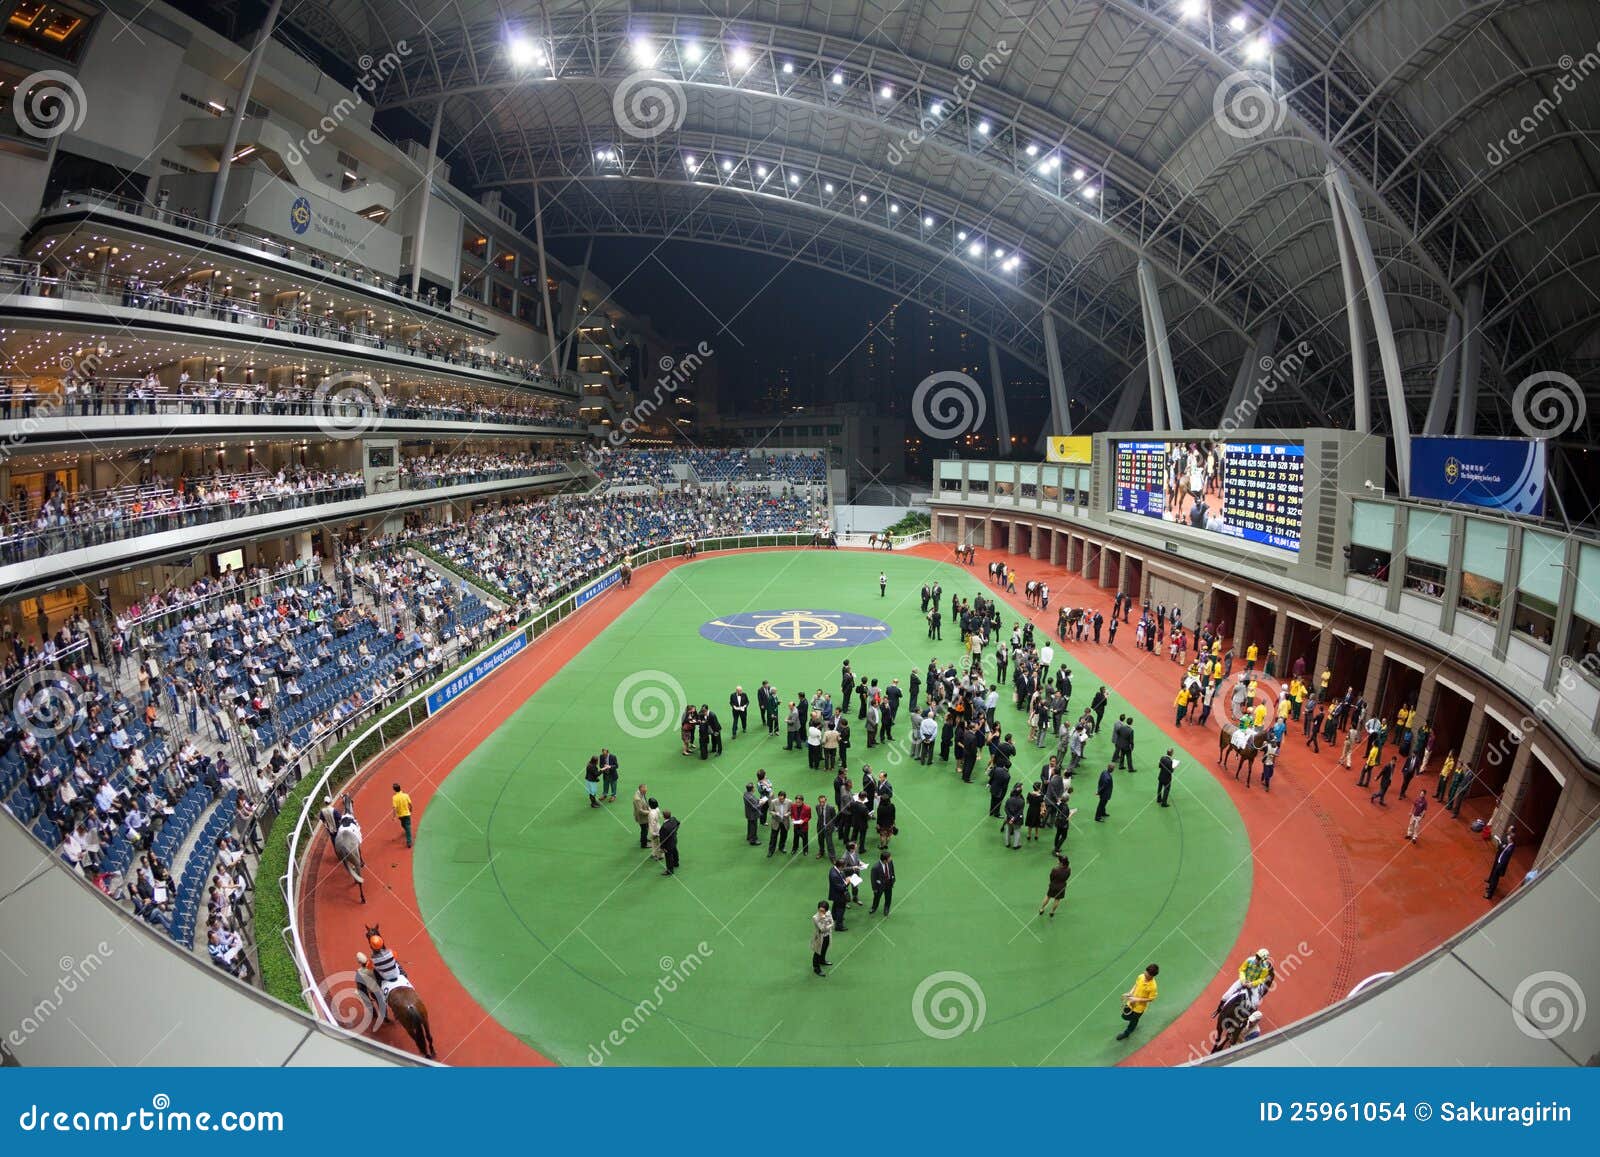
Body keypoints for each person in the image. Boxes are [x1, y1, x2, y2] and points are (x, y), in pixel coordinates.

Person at [1117, 964, 1160, 1041]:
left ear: (1152, 976)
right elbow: (1136, 984)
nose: (1144, 973)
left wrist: (1136, 1000)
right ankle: (1135, 1021)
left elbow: (1151, 999)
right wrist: (1130, 993)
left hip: (1139, 1007)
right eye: (1145, 971)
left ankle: (1127, 1033)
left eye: (1146, 974)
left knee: (1133, 1021)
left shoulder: (1153, 986)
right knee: (1124, 1016)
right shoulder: (1141, 976)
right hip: (1131, 1001)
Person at [1485, 830, 1516, 899]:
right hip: (1499, 861)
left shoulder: (1510, 848)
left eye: (1509, 838)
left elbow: (1505, 853)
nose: (1507, 838)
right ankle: (1490, 888)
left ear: (1511, 840)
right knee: (1494, 877)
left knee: (1495, 879)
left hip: (1501, 864)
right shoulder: (1509, 845)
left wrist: (1501, 845)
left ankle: (1490, 894)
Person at [1038, 853, 1071, 917]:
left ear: (1061, 863)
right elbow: (1067, 877)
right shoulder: (1069, 869)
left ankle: (1042, 909)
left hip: (1053, 885)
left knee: (1048, 897)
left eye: (1058, 860)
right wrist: (1059, 854)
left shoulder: (1055, 869)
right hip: (1062, 886)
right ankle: (1052, 912)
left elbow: (1051, 877)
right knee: (1057, 899)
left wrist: (1052, 883)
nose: (1057, 861)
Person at [811, 901, 834, 976]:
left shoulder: (829, 913)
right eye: (820, 910)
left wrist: (829, 925)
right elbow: (822, 929)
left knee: (825, 948)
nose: (821, 912)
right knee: (817, 952)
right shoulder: (815, 917)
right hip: (819, 937)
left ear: (826, 910)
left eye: (823, 911)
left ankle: (822, 960)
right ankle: (816, 968)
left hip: (827, 935)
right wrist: (824, 919)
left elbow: (832, 922)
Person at [870, 850, 896, 915]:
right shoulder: (875, 867)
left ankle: (886, 908)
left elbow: (892, 870)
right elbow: (873, 879)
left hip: (889, 883)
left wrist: (893, 879)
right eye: (889, 858)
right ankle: (874, 907)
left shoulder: (890, 862)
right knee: (877, 897)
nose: (891, 859)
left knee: (888, 897)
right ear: (884, 860)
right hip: (880, 886)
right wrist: (874, 889)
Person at [828, 859, 851, 931]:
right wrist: (847, 882)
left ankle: (834, 916)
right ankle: (838, 926)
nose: (844, 868)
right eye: (843, 867)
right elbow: (841, 888)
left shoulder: (834, 869)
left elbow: (841, 877)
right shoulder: (834, 875)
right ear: (840, 866)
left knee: (835, 905)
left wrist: (845, 879)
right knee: (841, 910)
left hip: (835, 894)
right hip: (838, 895)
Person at [767, 791, 792, 857]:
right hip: (776, 822)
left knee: (784, 836)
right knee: (773, 837)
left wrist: (787, 814)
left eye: (782, 799)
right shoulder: (773, 802)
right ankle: (771, 850)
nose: (780, 800)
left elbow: (791, 811)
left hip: (785, 822)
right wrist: (775, 813)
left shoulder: (789, 802)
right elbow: (770, 811)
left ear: (785, 798)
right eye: (779, 798)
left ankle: (781, 847)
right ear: (778, 797)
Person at [658, 810, 680, 876]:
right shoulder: (673, 819)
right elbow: (678, 823)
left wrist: (662, 847)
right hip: (674, 840)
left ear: (663, 817)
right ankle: (676, 863)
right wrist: (675, 831)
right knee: (675, 850)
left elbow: (662, 839)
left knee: (668, 856)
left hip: (668, 844)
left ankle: (670, 870)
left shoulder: (664, 827)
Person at [1003, 784, 1025, 848]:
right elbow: (1020, 811)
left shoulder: (1009, 800)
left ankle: (1007, 843)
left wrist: (1010, 817)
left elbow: (1006, 809)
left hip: (1009, 818)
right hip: (1017, 819)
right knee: (1017, 831)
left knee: (1007, 831)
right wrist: (1014, 818)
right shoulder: (1022, 801)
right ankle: (1016, 845)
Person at [391, 783, 413, 848]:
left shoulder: (394, 798)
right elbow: (410, 804)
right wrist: (411, 809)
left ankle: (409, 842)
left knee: (407, 827)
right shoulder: (406, 795)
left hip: (401, 815)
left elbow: (394, 808)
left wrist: (394, 816)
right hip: (406, 813)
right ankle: (407, 831)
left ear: (394, 790)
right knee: (403, 825)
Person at [632, 784, 651, 849]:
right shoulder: (637, 798)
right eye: (645, 791)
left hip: (644, 815)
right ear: (641, 790)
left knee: (645, 829)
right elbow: (640, 811)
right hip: (641, 817)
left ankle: (643, 839)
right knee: (644, 830)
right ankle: (644, 844)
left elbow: (645, 801)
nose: (646, 792)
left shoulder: (641, 793)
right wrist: (650, 812)